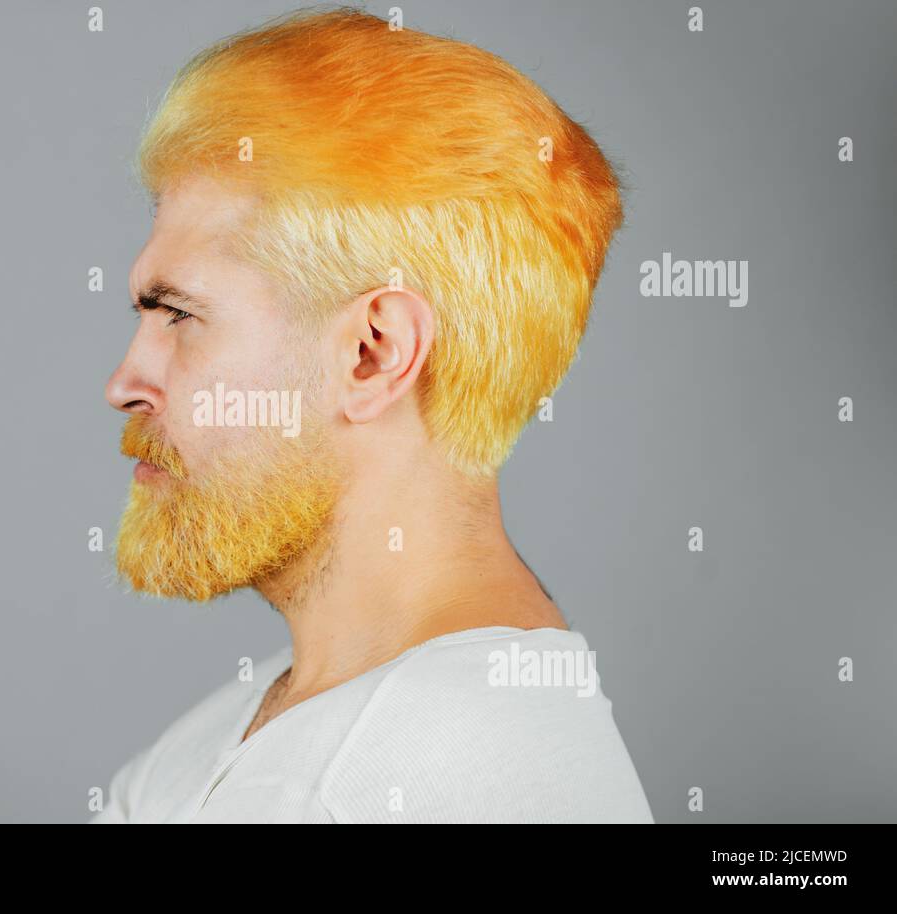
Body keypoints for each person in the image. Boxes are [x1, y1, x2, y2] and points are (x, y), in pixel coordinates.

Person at [94, 6, 652, 823]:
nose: (126, 381)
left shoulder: (448, 774)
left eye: (178, 315)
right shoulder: (217, 746)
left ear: (373, 354)